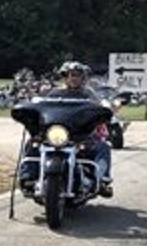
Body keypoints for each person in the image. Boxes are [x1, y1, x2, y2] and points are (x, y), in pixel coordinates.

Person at [44, 60, 113, 196]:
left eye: (77, 75)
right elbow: (43, 107)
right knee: (32, 144)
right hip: (58, 134)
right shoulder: (54, 93)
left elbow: (99, 106)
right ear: (65, 77)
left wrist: (104, 107)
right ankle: (27, 175)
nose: (73, 78)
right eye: (70, 75)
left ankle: (101, 180)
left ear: (82, 78)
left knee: (103, 147)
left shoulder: (88, 93)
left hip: (82, 136)